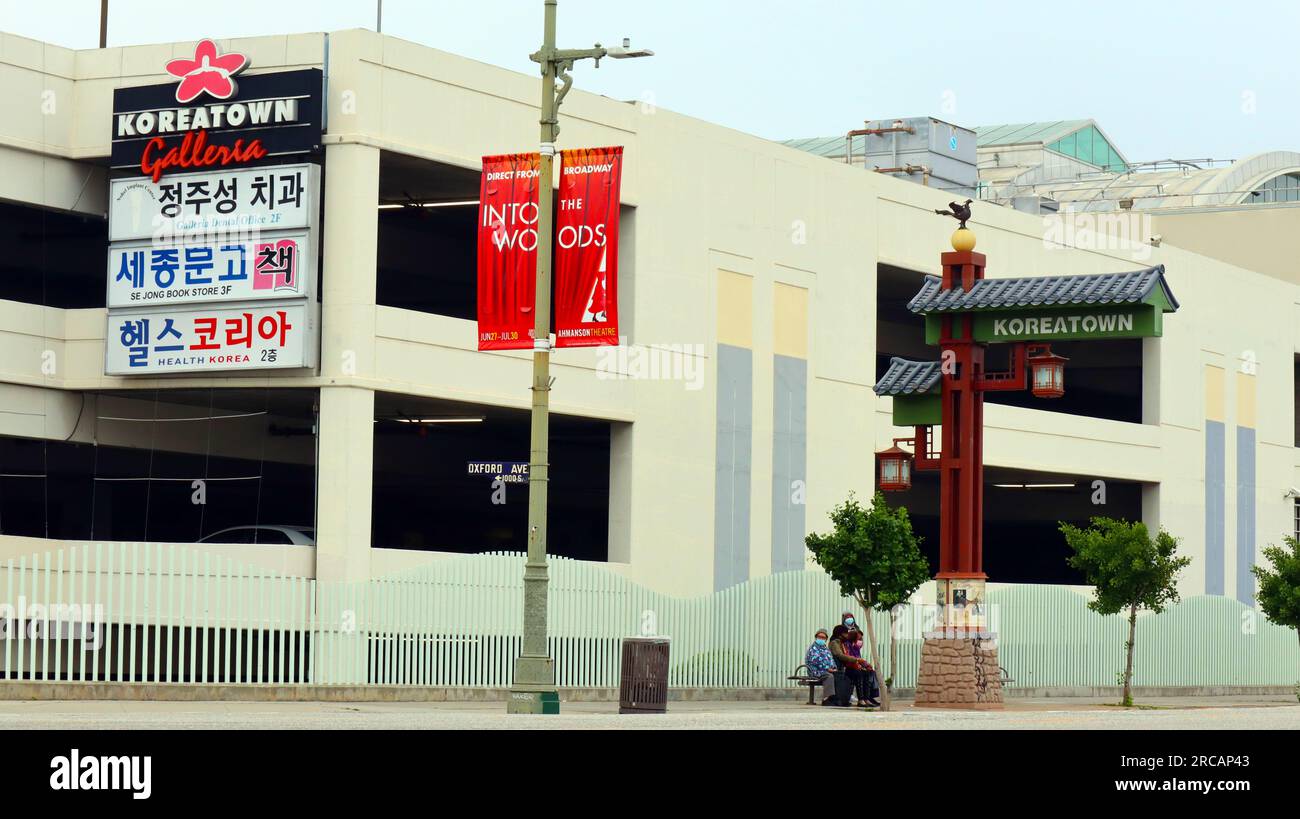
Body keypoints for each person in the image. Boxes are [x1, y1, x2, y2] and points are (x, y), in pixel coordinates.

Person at [830, 624, 881, 708]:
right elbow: (841, 656)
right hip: (841, 668)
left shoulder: (844, 643)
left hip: (847, 667)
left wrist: (863, 663)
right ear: (840, 634)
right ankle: (861, 700)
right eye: (845, 633)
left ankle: (867, 698)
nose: (847, 635)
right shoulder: (835, 643)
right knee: (859, 673)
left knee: (867, 673)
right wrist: (857, 660)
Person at [803, 629, 838, 706]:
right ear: (816, 637)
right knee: (829, 676)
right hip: (815, 671)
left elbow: (831, 659)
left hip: (827, 670)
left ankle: (837, 698)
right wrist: (827, 668)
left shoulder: (826, 649)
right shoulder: (813, 649)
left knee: (839, 675)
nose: (821, 639)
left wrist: (834, 667)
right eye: (820, 637)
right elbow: (816, 661)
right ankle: (826, 699)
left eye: (823, 637)